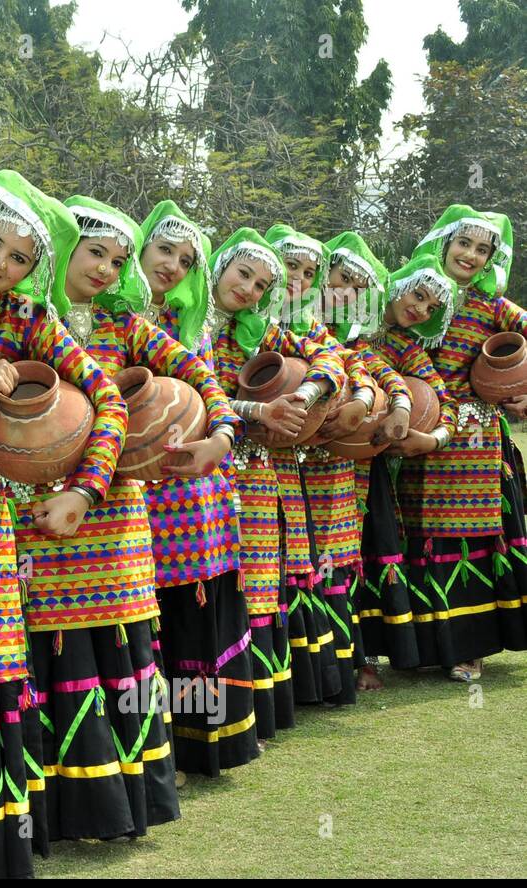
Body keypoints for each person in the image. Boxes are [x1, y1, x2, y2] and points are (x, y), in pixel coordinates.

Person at [0, 170, 178, 859]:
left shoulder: (32, 321)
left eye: (21, 257)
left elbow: (109, 400)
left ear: (38, 270)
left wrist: (86, 489)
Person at [127, 200, 260, 777]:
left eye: (186, 260)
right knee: (151, 619)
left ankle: (206, 743)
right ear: (140, 249)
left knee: (196, 611)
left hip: (200, 493)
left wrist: (220, 441)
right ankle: (166, 751)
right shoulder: (114, 320)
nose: (173, 267)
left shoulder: (192, 327)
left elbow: (215, 397)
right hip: (138, 492)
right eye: (164, 252)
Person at [206, 229, 346, 740]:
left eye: (263, 283)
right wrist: (255, 409)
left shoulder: (267, 329)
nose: (253, 289)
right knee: (221, 588)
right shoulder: (187, 321)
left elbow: (334, 360)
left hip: (258, 472)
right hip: (202, 475)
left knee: (261, 583)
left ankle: (261, 709)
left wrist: (306, 395)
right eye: (245, 275)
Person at [398, 207, 527, 681]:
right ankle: (426, 646)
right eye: (464, 244)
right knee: (421, 538)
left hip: (474, 444)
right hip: (417, 440)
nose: (470, 255)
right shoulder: (417, 291)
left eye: (482, 249)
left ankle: (468, 647)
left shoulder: (495, 307)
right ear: (444, 242)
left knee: (468, 541)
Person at [323, 241, 457, 685]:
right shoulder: (320, 329)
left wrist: (431, 438)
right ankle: (326, 665)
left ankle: (364, 657)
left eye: (432, 305)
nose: (421, 309)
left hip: (365, 472)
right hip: (308, 463)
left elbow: (445, 399)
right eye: (417, 295)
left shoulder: (402, 347)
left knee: (363, 555)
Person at [267, 224, 381, 706]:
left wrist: (370, 395)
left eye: (309, 272)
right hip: (272, 463)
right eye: (339, 278)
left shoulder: (321, 331)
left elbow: (356, 367)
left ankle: (335, 670)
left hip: (328, 466)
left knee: (325, 562)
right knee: (278, 567)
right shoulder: (256, 319)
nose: (343, 291)